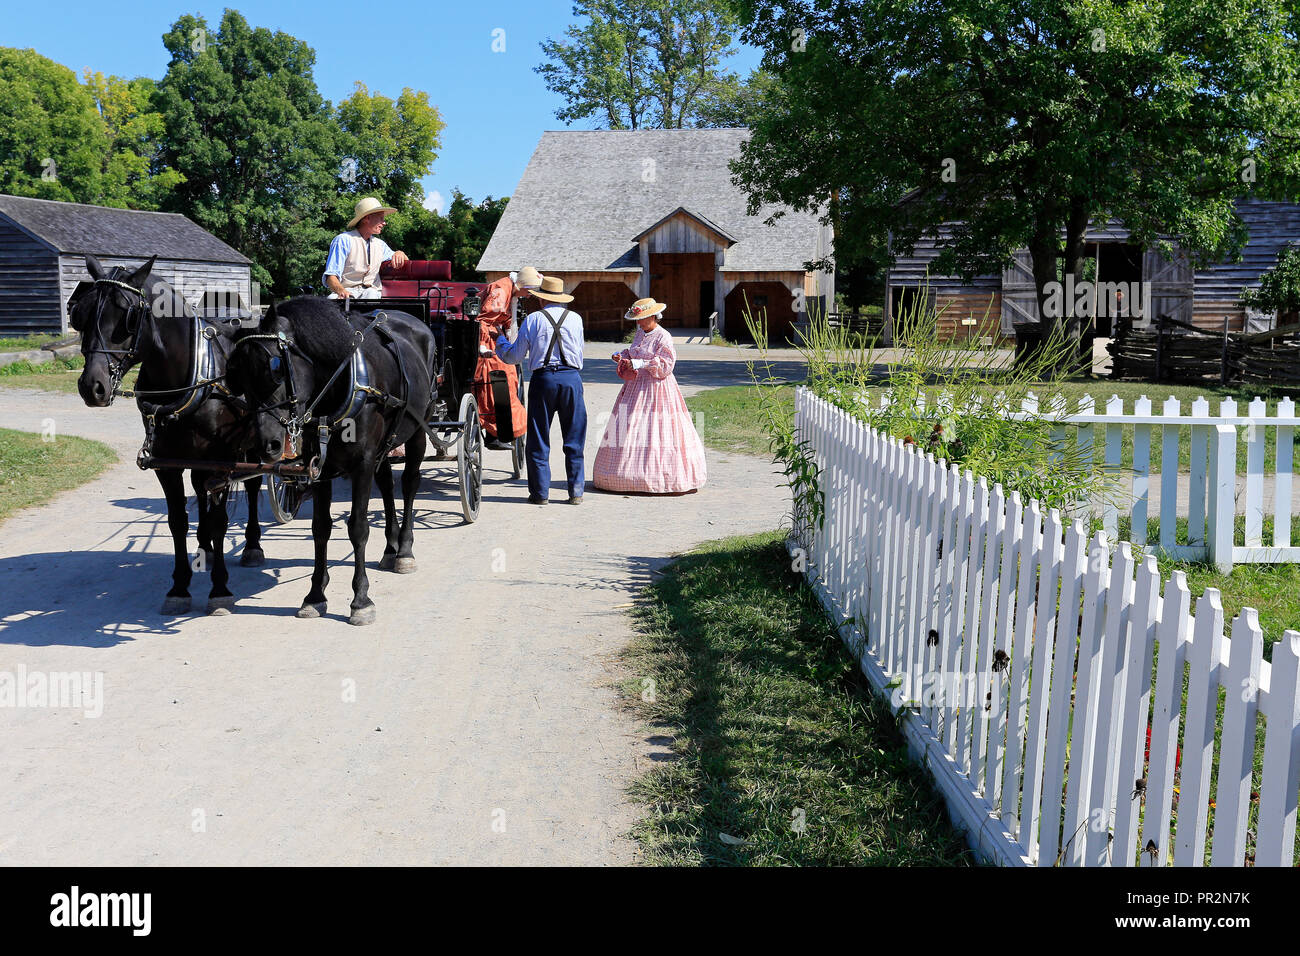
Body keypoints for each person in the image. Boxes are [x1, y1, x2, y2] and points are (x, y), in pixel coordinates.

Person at [592, 297, 706, 494]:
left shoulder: (663, 337)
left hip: (656, 388)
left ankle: (661, 476)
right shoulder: (640, 333)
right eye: (637, 319)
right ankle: (625, 475)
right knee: (629, 427)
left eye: (642, 318)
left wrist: (639, 364)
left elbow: (665, 365)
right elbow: (634, 351)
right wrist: (623, 356)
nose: (639, 322)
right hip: (635, 387)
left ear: (653, 316)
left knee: (657, 429)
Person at [496, 275, 586, 505]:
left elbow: (514, 356)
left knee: (538, 438)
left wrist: (499, 341)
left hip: (544, 379)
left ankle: (540, 494)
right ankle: (575, 491)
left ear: (541, 300)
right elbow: (580, 353)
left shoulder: (534, 319)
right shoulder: (576, 318)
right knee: (574, 437)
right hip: (571, 379)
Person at [475, 267, 539, 450]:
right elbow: (484, 321)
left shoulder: (511, 292)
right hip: (485, 338)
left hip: (495, 336)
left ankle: (501, 430)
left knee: (508, 372)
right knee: (500, 373)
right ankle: (497, 431)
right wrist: (483, 346)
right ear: (522, 285)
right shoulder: (502, 290)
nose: (528, 295)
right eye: (528, 291)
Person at [322, 197, 409, 299]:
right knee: (332, 300)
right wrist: (341, 291)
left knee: (371, 294)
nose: (384, 223)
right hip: (346, 292)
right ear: (367, 218)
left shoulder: (380, 245)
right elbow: (330, 276)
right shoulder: (343, 240)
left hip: (371, 293)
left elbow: (405, 262)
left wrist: (400, 253)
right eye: (381, 218)